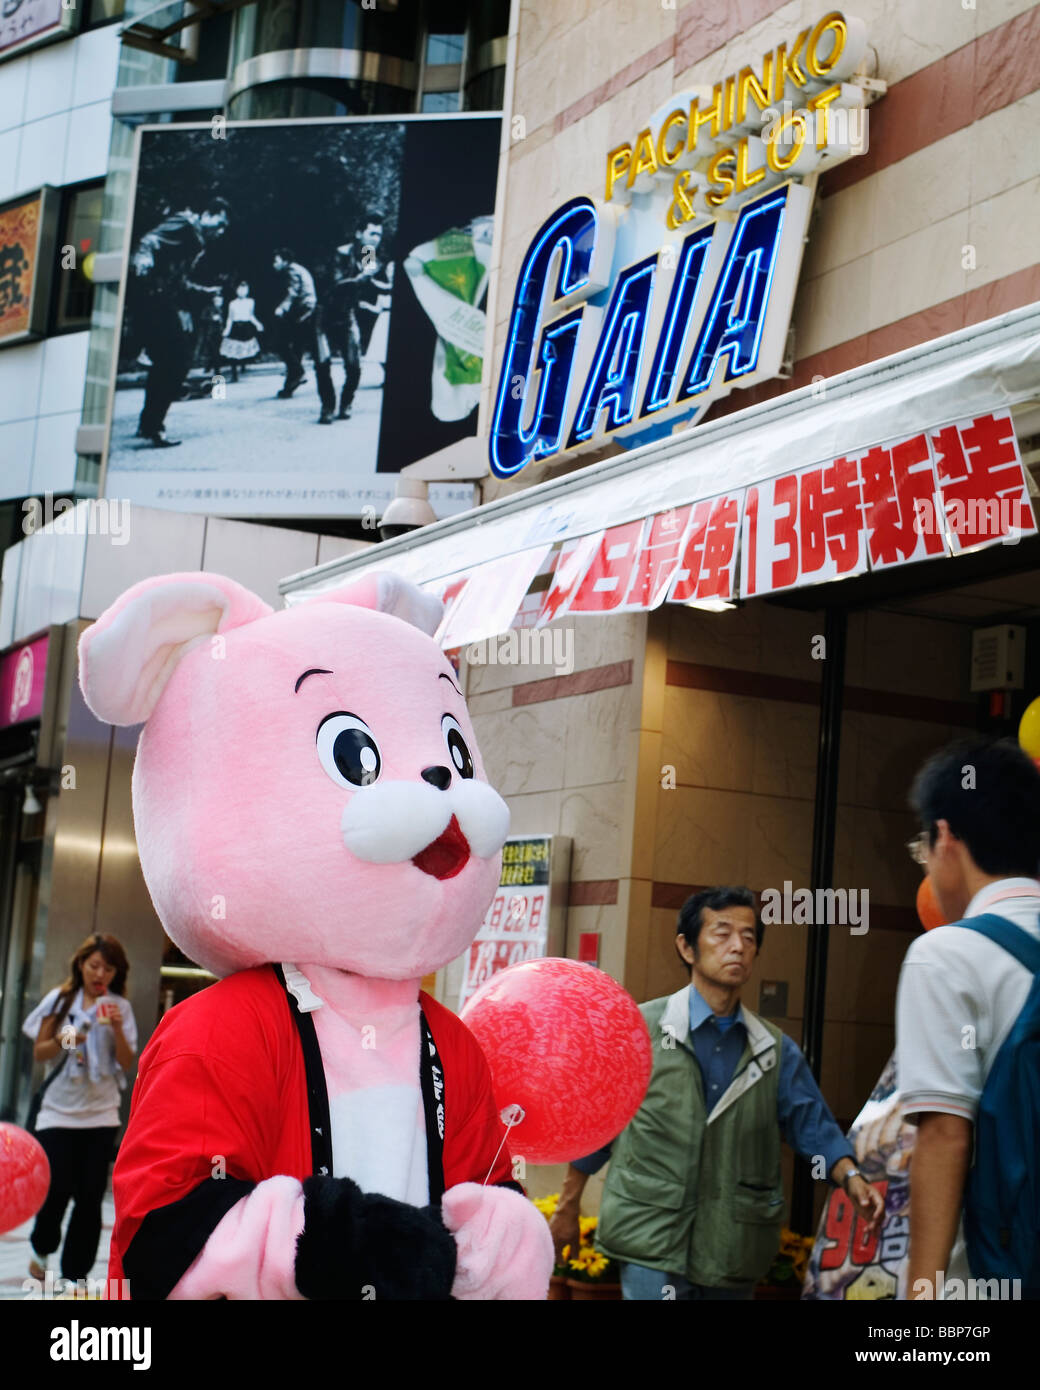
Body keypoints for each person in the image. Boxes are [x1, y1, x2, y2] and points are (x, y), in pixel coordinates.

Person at [549, 886, 885, 1299]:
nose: (738, 947)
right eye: (722, 933)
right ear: (686, 948)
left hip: (732, 1245)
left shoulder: (773, 1049)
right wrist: (567, 1208)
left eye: (748, 937)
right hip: (651, 1240)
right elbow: (599, 1126)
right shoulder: (640, 1030)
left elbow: (812, 1127)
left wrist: (850, 1177)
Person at [895, 736, 1040, 1299]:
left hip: (991, 1279)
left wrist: (924, 1300)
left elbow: (944, 1136)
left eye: (923, 847)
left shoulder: (946, 954)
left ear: (947, 837)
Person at [21, 933, 138, 1294]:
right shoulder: (60, 999)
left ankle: (75, 1277)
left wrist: (117, 1027)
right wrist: (65, 1039)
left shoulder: (119, 1006)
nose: (100, 973)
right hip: (58, 1113)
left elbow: (126, 1060)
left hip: (101, 1115)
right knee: (54, 1192)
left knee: (89, 1200)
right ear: (81, 964)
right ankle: (41, 1250)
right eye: (94, 965)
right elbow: (40, 1053)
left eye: (108, 967)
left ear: (117, 972)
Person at [129, 197, 229, 446]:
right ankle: (154, 425)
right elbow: (149, 240)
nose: (221, 231)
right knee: (178, 361)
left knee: (164, 363)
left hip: (159, 299)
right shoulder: (185, 222)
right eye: (220, 223)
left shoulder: (196, 242)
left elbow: (180, 283)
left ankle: (148, 423)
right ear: (207, 212)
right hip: (151, 297)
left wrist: (206, 292)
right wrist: (143, 258)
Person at [327, 212, 392, 420]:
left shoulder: (367, 253)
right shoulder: (341, 253)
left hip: (348, 314)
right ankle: (327, 407)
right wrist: (363, 277)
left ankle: (345, 404)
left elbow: (369, 283)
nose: (376, 239)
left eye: (379, 235)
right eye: (371, 233)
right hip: (324, 313)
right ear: (358, 233)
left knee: (354, 366)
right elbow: (337, 284)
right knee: (322, 364)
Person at [271, 247, 335, 423]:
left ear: (284, 260)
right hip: (308, 311)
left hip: (305, 313)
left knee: (281, 344)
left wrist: (282, 307)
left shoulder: (291, 270)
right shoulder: (298, 268)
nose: (273, 265)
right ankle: (292, 382)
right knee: (296, 348)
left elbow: (293, 291)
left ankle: (297, 374)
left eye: (276, 261)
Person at [219, 280, 264, 382]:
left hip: (246, 326)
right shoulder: (232, 303)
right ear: (236, 290)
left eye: (245, 289)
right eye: (240, 289)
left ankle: (243, 365)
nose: (242, 291)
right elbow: (230, 318)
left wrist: (258, 324)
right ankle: (234, 374)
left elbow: (251, 315)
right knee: (233, 351)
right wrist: (227, 329)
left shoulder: (251, 302)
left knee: (245, 347)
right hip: (235, 326)